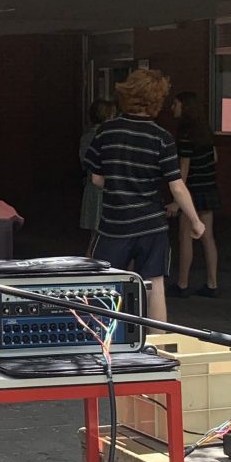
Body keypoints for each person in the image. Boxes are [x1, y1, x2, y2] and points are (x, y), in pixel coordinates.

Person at [84, 68, 204, 323]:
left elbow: (96, 178)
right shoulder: (162, 137)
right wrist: (195, 220)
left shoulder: (106, 132)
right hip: (151, 224)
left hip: (114, 225)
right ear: (157, 100)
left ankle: (102, 343)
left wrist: (118, 180)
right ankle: (157, 347)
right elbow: (177, 186)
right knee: (155, 284)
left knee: (104, 284)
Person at [166, 91, 221, 297]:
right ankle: (212, 283)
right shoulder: (205, 131)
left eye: (176, 104)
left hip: (193, 190)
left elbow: (184, 168)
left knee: (185, 236)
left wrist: (176, 200)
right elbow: (214, 157)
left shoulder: (185, 134)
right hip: (209, 187)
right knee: (208, 237)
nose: (173, 107)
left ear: (185, 107)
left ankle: (182, 284)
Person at [78, 98, 116, 254]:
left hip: (91, 187)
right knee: (101, 236)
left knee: (96, 235)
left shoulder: (86, 136)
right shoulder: (105, 136)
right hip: (103, 188)